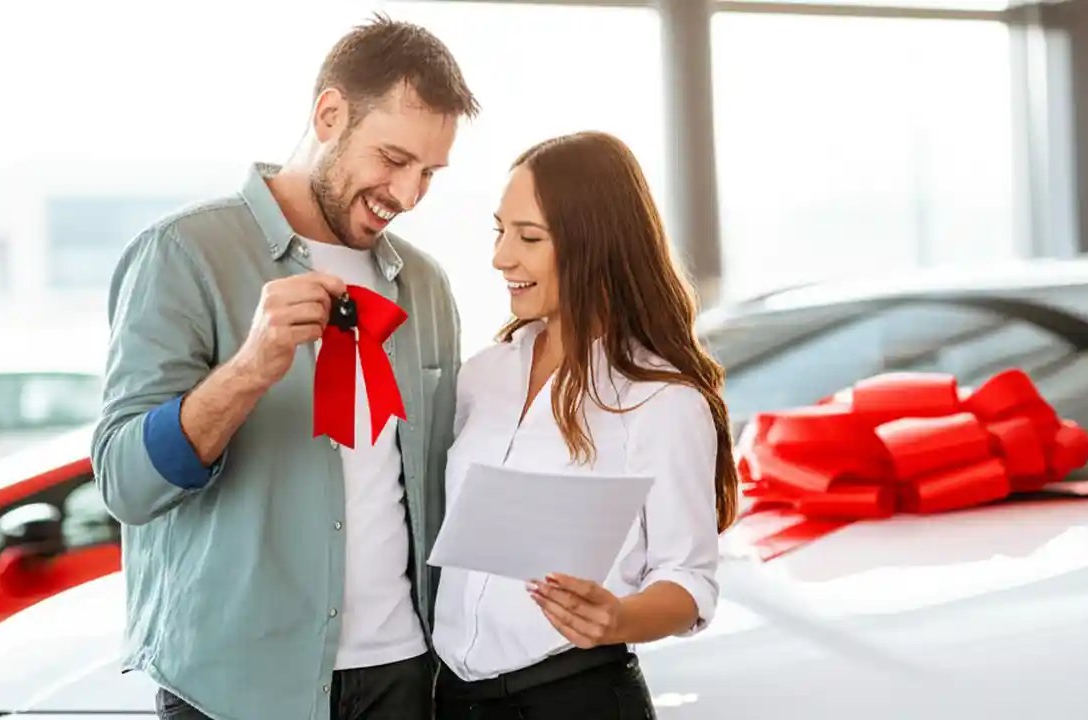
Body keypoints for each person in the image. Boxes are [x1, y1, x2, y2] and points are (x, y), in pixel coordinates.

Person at [91, 15, 477, 720]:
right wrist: (247, 370)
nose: (409, 193)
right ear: (329, 114)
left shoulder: (425, 286)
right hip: (238, 685)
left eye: (430, 172)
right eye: (393, 158)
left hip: (404, 676)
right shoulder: (183, 255)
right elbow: (125, 483)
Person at [432, 131, 738, 719]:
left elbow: (689, 579)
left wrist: (619, 618)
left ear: (592, 244)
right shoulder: (481, 377)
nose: (501, 257)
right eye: (500, 231)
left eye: (528, 238)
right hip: (453, 700)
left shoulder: (661, 399)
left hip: (575, 697)